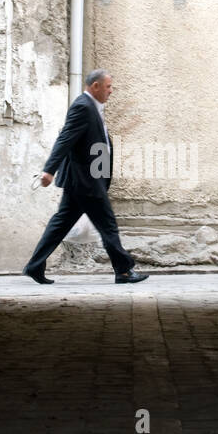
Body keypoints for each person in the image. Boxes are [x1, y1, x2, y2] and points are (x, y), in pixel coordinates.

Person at [22, 70, 148, 285]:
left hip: (83, 179)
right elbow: (65, 139)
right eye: (108, 86)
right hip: (86, 180)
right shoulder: (83, 106)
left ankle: (35, 265)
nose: (111, 91)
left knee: (61, 223)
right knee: (107, 224)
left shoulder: (93, 107)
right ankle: (123, 271)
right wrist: (49, 170)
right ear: (96, 86)